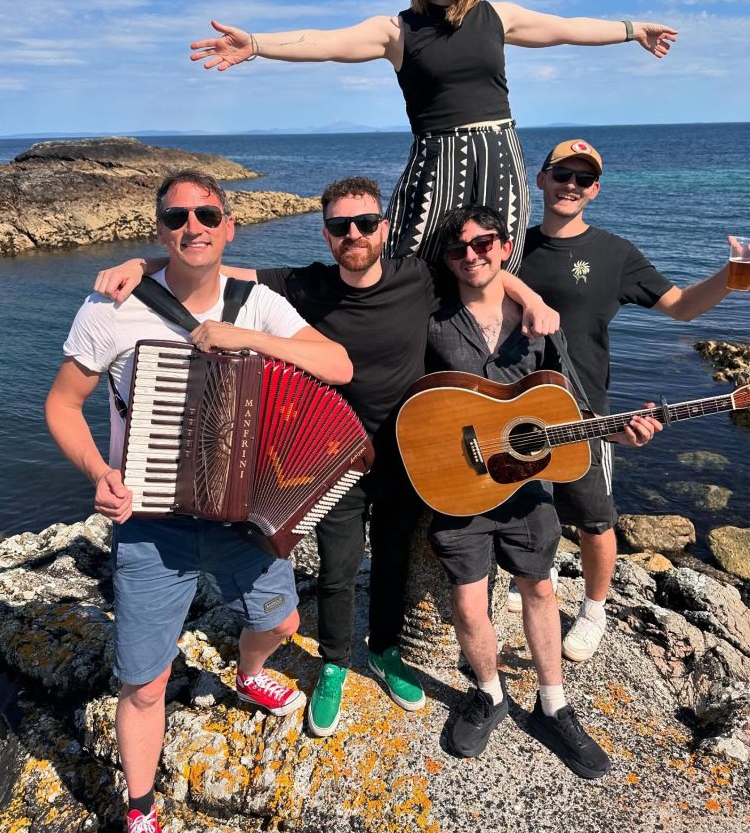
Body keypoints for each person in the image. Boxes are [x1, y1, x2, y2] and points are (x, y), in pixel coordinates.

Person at [95, 176, 559, 741]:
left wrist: (532, 297)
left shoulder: (417, 275)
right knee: (338, 567)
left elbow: (483, 269)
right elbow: (209, 266)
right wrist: (142, 265)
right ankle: (336, 662)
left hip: (411, 453)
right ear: (326, 234)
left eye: (365, 224)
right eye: (341, 227)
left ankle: (384, 652)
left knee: (391, 559)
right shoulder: (303, 284)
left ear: (384, 229)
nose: (354, 235)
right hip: (331, 456)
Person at [45, 169, 352, 833]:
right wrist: (99, 470)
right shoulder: (110, 309)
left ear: (227, 226)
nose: (194, 227)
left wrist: (248, 340)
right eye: (177, 217)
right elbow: (63, 405)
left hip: (247, 516)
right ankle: (140, 806)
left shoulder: (255, 302)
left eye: (207, 215)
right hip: (153, 524)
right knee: (145, 682)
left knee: (281, 624)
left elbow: (338, 366)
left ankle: (248, 671)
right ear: (159, 229)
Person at [188, 0, 676, 271]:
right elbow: (324, 41)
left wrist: (633, 30)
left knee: (495, 269)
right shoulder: (397, 31)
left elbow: (571, 28)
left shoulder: (498, 19)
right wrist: (255, 43)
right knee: (411, 268)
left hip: (500, 161)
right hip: (435, 164)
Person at [424, 204, 661, 775]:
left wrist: (616, 433)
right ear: (448, 260)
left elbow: (568, 408)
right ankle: (489, 693)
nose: (473, 255)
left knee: (539, 591)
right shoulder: (429, 317)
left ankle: (553, 705)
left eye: (485, 244)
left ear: (505, 247)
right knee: (467, 599)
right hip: (458, 484)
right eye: (460, 249)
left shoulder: (540, 325)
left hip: (527, 490)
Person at [516, 139, 734, 662]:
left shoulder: (615, 254)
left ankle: (594, 609)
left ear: (595, 191)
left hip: (587, 415)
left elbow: (681, 308)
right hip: (512, 410)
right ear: (540, 180)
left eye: (582, 179)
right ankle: (526, 584)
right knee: (520, 506)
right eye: (561, 173)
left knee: (595, 519)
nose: (570, 184)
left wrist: (732, 276)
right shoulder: (510, 249)